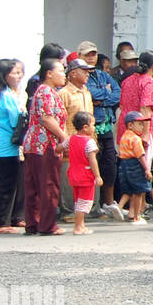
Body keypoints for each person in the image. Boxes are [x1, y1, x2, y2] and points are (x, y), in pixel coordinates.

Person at [22, 58, 70, 236]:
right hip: (45, 145)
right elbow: (47, 118)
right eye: (61, 71)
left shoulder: (42, 91)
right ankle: (47, 225)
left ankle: (33, 224)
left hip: (34, 145)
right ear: (49, 74)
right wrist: (64, 137)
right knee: (48, 185)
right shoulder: (46, 92)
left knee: (34, 186)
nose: (64, 75)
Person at [80, 42, 123, 220]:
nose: (91, 57)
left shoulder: (102, 74)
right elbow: (91, 95)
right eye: (87, 54)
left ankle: (108, 203)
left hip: (107, 125)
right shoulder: (80, 76)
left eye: (94, 54)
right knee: (92, 165)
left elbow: (118, 93)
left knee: (109, 165)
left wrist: (102, 97)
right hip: (91, 127)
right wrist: (104, 94)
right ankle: (92, 205)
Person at [118, 51, 153, 213]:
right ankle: (137, 210)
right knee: (143, 171)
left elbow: (122, 106)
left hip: (125, 131)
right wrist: (145, 134)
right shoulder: (149, 83)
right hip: (141, 131)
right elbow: (145, 108)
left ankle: (137, 207)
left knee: (130, 170)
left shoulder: (128, 80)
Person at [0, 59, 26, 233]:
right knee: (7, 186)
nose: (19, 76)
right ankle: (0, 223)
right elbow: (16, 119)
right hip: (8, 147)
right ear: (4, 75)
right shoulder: (7, 96)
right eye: (14, 73)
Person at [58, 56, 96, 219]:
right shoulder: (64, 93)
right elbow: (61, 120)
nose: (87, 75)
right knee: (70, 177)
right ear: (72, 74)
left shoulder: (86, 92)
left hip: (87, 143)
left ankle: (85, 210)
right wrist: (65, 141)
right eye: (84, 71)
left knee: (87, 177)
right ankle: (69, 211)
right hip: (72, 143)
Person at [66, 111, 103, 236]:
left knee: (78, 201)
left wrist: (57, 150)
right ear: (85, 127)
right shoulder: (89, 142)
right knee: (85, 202)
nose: (94, 127)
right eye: (92, 125)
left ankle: (81, 225)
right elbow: (93, 160)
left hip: (73, 174)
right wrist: (97, 176)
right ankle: (78, 226)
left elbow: (61, 147)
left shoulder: (71, 139)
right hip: (85, 175)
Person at [115, 111, 153, 224]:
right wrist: (146, 169)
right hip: (134, 164)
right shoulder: (136, 139)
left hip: (123, 164)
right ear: (130, 125)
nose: (142, 127)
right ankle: (137, 216)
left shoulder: (124, 137)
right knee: (138, 191)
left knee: (128, 190)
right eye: (140, 124)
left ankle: (119, 207)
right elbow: (140, 155)